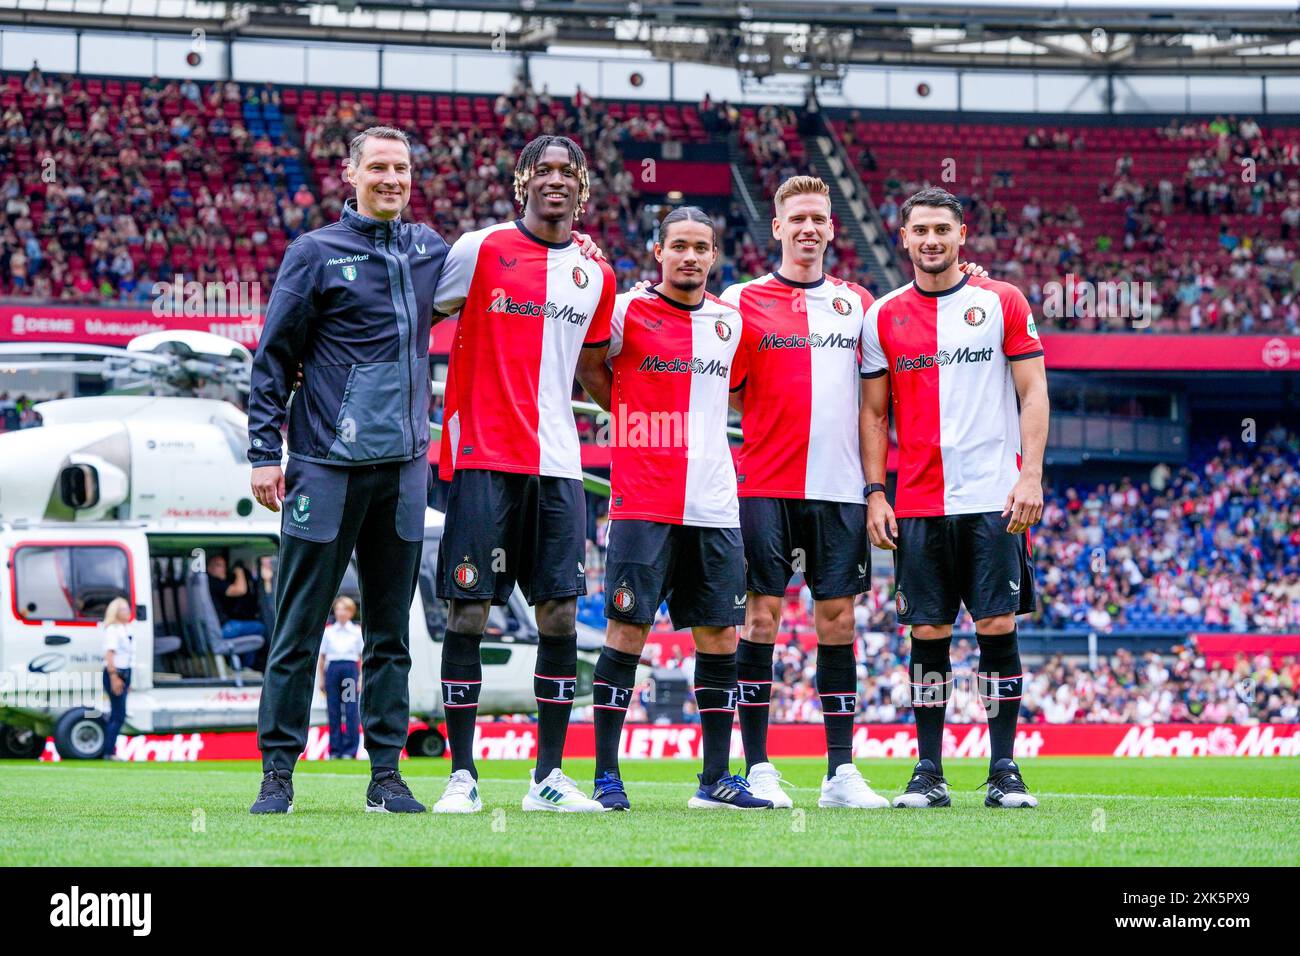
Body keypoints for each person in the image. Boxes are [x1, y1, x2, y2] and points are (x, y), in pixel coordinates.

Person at [721, 176, 984, 809]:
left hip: (840, 490)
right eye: (798, 219)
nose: (809, 228)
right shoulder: (738, 300)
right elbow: (720, 381)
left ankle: (840, 771)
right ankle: (757, 767)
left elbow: (896, 371)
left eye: (820, 218)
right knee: (760, 618)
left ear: (833, 228)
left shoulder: (861, 305)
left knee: (837, 623)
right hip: (765, 486)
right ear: (777, 228)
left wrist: (965, 281)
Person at [246, 126, 447, 815]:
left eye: (403, 168)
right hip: (324, 468)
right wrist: (262, 454)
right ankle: (278, 775)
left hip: (403, 471)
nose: (393, 178)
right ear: (350, 174)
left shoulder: (430, 250)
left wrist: (580, 247)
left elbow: (508, 266)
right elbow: (273, 356)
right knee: (297, 628)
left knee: (390, 635)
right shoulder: (313, 253)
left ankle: (386, 777)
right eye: (380, 167)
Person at [429, 134, 615, 814]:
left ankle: (549, 777)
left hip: (559, 465)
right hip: (483, 457)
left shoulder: (596, 273)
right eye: (546, 170)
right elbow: (417, 313)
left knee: (560, 612)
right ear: (522, 180)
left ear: (584, 188)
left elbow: (597, 369)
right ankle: (462, 775)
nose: (557, 181)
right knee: (470, 611)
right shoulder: (477, 250)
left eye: (570, 171)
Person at [575, 206, 772, 811]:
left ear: (715, 257)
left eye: (701, 247)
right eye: (679, 246)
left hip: (714, 504)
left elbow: (736, 392)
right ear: (658, 252)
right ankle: (606, 776)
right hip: (643, 502)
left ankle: (715, 779)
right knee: (627, 633)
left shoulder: (731, 324)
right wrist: (630, 415)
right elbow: (590, 368)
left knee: (719, 636)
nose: (690, 256)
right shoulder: (626, 311)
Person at [860, 186, 1049, 808]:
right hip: (918, 503)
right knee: (929, 634)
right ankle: (929, 769)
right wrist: (876, 492)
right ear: (904, 236)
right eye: (921, 230)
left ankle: (1003, 768)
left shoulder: (1003, 301)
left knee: (995, 625)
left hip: (994, 498)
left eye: (943, 229)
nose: (932, 239)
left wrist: (1031, 476)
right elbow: (874, 413)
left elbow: (1033, 392)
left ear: (961, 234)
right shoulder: (881, 315)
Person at [318, 597, 364, 760]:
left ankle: (350, 749)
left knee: (351, 709)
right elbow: (322, 657)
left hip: (349, 670)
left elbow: (362, 657)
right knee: (333, 710)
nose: (341, 612)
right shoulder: (329, 632)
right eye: (338, 609)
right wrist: (321, 678)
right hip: (333, 670)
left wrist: (360, 679)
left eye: (344, 609)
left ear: (351, 612)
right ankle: (335, 749)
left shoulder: (357, 631)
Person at [100, 597, 134, 760]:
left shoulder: (125, 629)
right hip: (116, 673)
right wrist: (114, 677)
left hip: (124, 673)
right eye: (124, 609)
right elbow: (110, 655)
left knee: (118, 713)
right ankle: (109, 751)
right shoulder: (113, 629)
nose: (128, 612)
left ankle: (109, 750)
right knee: (118, 714)